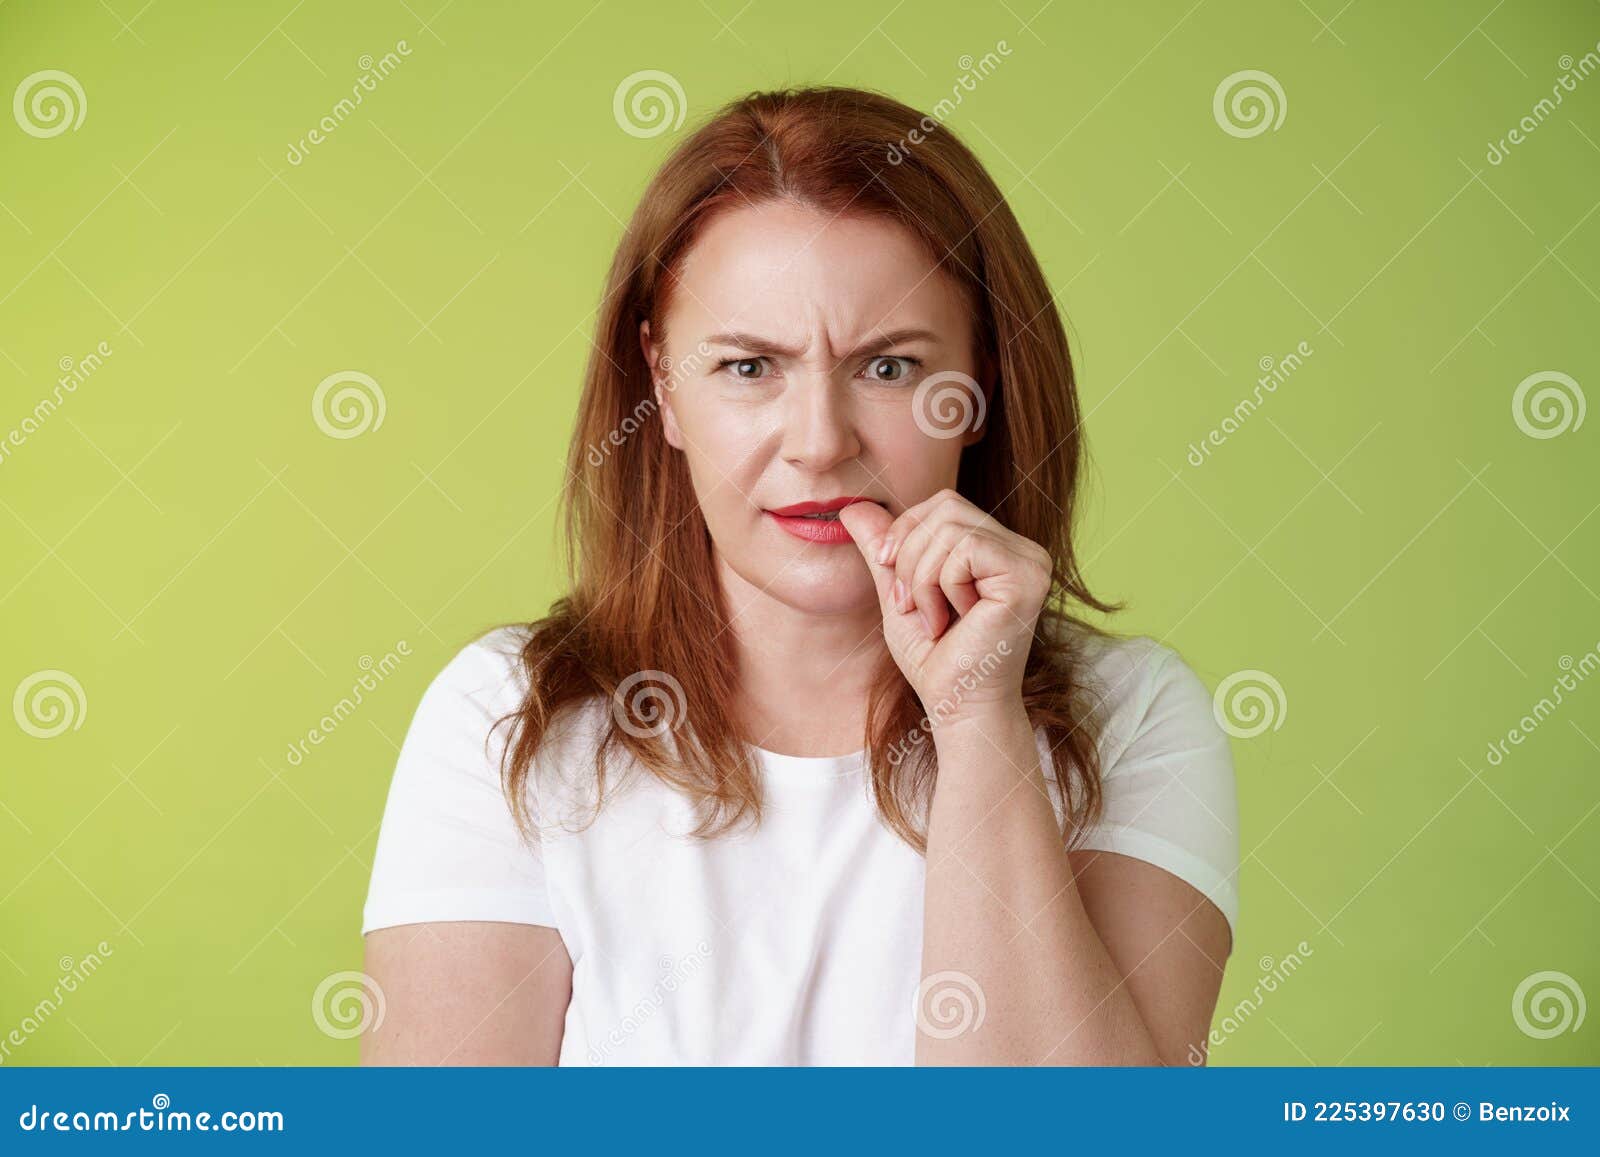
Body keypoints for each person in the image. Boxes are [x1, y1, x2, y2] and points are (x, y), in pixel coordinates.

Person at [359, 85, 1239, 1066]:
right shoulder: (503, 719)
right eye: (748, 367)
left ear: (979, 383)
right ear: (663, 387)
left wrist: (977, 720)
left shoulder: (1134, 717)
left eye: (890, 367)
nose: (820, 444)